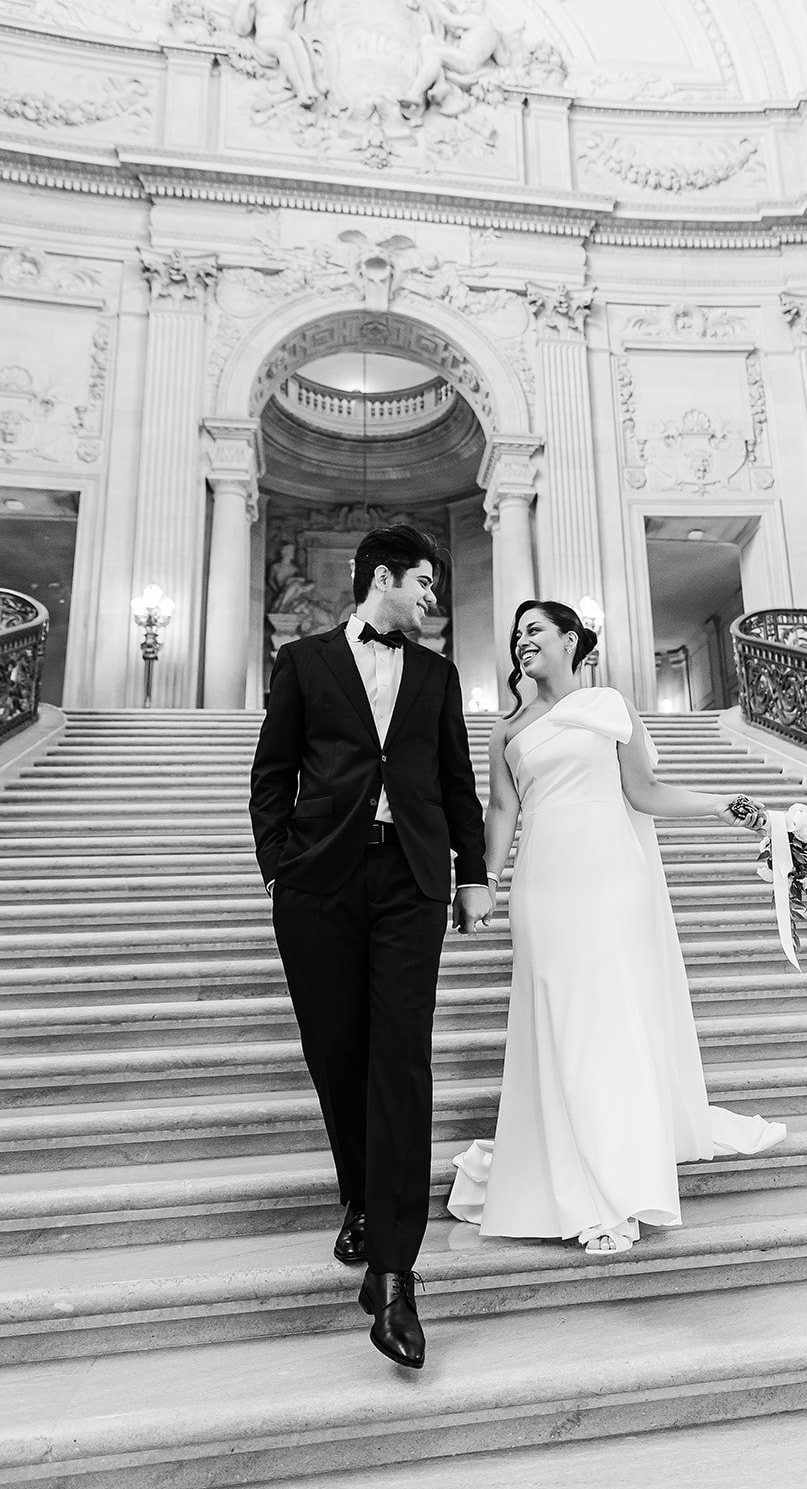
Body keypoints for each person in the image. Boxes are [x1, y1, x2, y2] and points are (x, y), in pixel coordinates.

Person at [448, 600, 786, 1254]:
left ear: (570, 639)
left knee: (613, 1029)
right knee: (564, 1029)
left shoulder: (609, 705)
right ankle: (577, 1180)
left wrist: (723, 804)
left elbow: (645, 792)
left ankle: (621, 1191)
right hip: (545, 886)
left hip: (613, 879)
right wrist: (480, 883)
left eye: (535, 631)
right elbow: (499, 813)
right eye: (516, 635)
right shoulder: (507, 728)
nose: (522, 642)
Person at [250, 525, 491, 1369]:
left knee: (400, 1060)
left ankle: (395, 1272)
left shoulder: (437, 674)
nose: (433, 599)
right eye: (424, 583)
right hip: (319, 882)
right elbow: (272, 770)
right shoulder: (304, 661)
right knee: (338, 1052)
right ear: (381, 579)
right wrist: (279, 864)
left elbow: (456, 780)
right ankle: (359, 1193)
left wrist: (472, 876)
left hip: (410, 885)